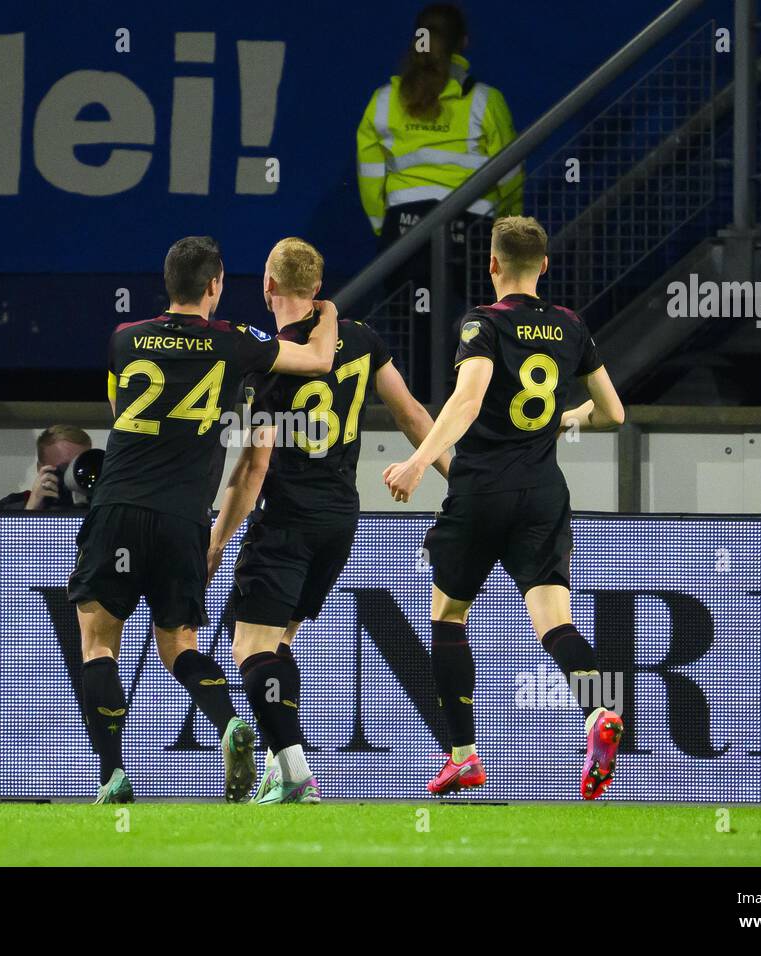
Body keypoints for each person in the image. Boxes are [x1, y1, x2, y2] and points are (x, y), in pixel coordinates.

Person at [66, 236, 339, 804]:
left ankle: (113, 774)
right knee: (181, 645)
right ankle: (229, 724)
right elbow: (318, 360)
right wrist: (328, 310)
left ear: (169, 284)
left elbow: (119, 414)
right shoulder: (237, 342)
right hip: (184, 519)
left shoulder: (123, 339)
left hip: (117, 506)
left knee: (98, 646)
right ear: (215, 286)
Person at [382, 216, 626, 799]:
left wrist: (420, 461)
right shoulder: (571, 326)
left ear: (493, 265)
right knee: (556, 623)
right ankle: (597, 714)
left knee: (449, 618)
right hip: (543, 492)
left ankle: (463, 756)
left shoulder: (482, 324)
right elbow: (614, 413)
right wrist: (564, 417)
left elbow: (468, 399)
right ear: (544, 266)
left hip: (481, 490)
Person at [207, 238, 451, 804]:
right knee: (280, 642)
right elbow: (414, 414)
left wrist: (219, 539)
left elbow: (256, 463)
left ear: (267, 286)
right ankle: (279, 763)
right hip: (341, 517)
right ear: (316, 289)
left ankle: (295, 772)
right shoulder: (362, 339)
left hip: (288, 516)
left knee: (249, 648)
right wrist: (457, 478)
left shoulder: (271, 359)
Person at [357, 2, 524, 372]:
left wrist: (386, 227)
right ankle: (473, 405)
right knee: (483, 325)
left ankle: (426, 411)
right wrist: (507, 228)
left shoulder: (383, 102)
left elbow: (370, 176)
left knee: (416, 330)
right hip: (475, 228)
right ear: (462, 42)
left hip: (406, 231)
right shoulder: (486, 100)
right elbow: (510, 175)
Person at [0, 425, 95, 511]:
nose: (73, 475)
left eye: (79, 466)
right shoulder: (12, 506)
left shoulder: (103, 507)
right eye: (64, 468)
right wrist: (30, 510)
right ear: (40, 468)